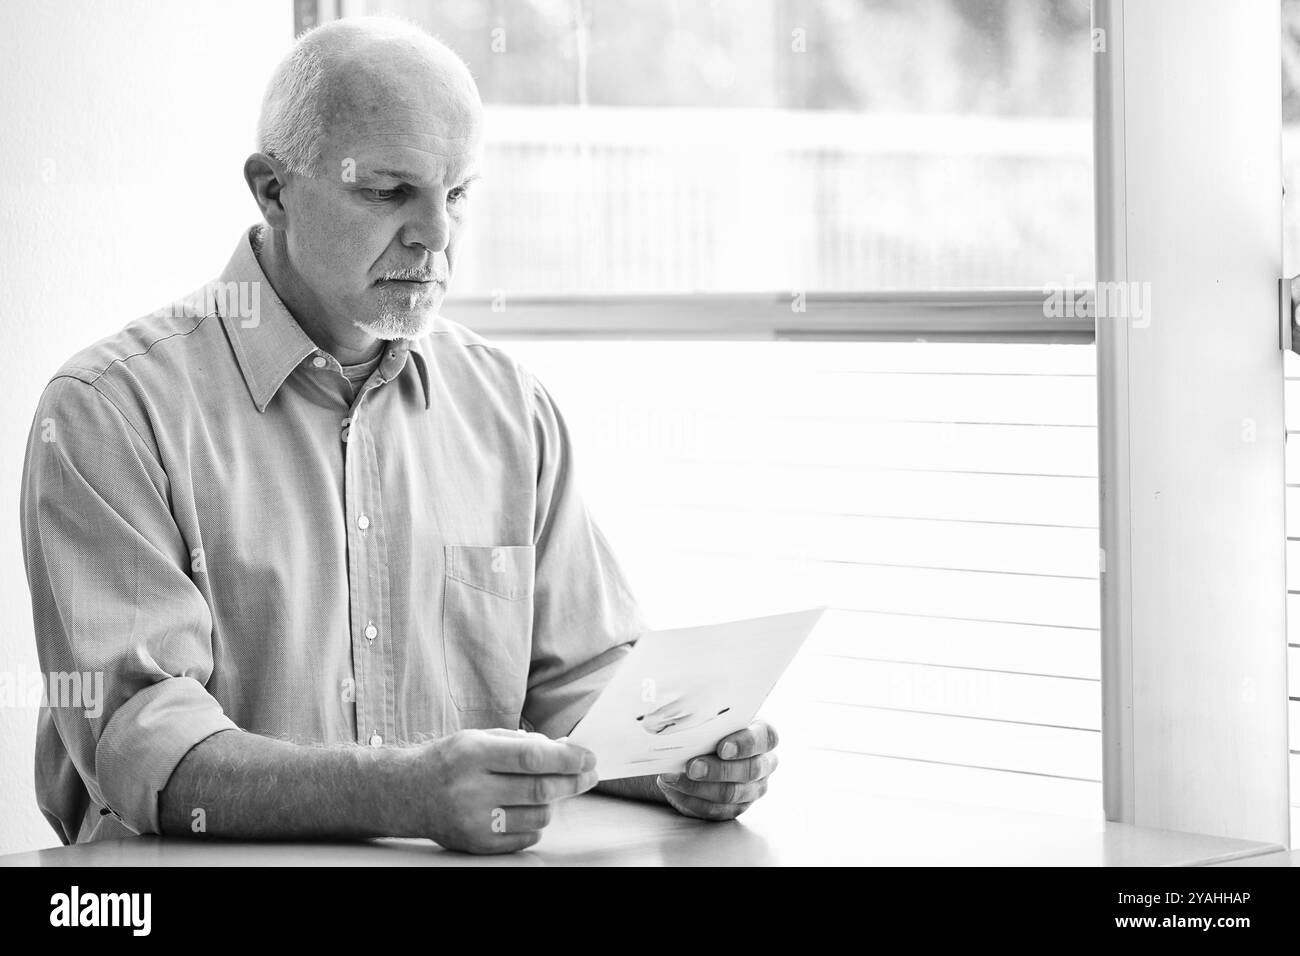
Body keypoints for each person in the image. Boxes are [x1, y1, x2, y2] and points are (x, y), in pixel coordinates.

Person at [20, 16, 778, 854]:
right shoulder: (106, 412)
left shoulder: (509, 409)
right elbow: (146, 746)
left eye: (456, 194)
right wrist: (401, 793)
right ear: (272, 190)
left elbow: (580, 682)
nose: (436, 235)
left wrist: (671, 756)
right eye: (388, 193)